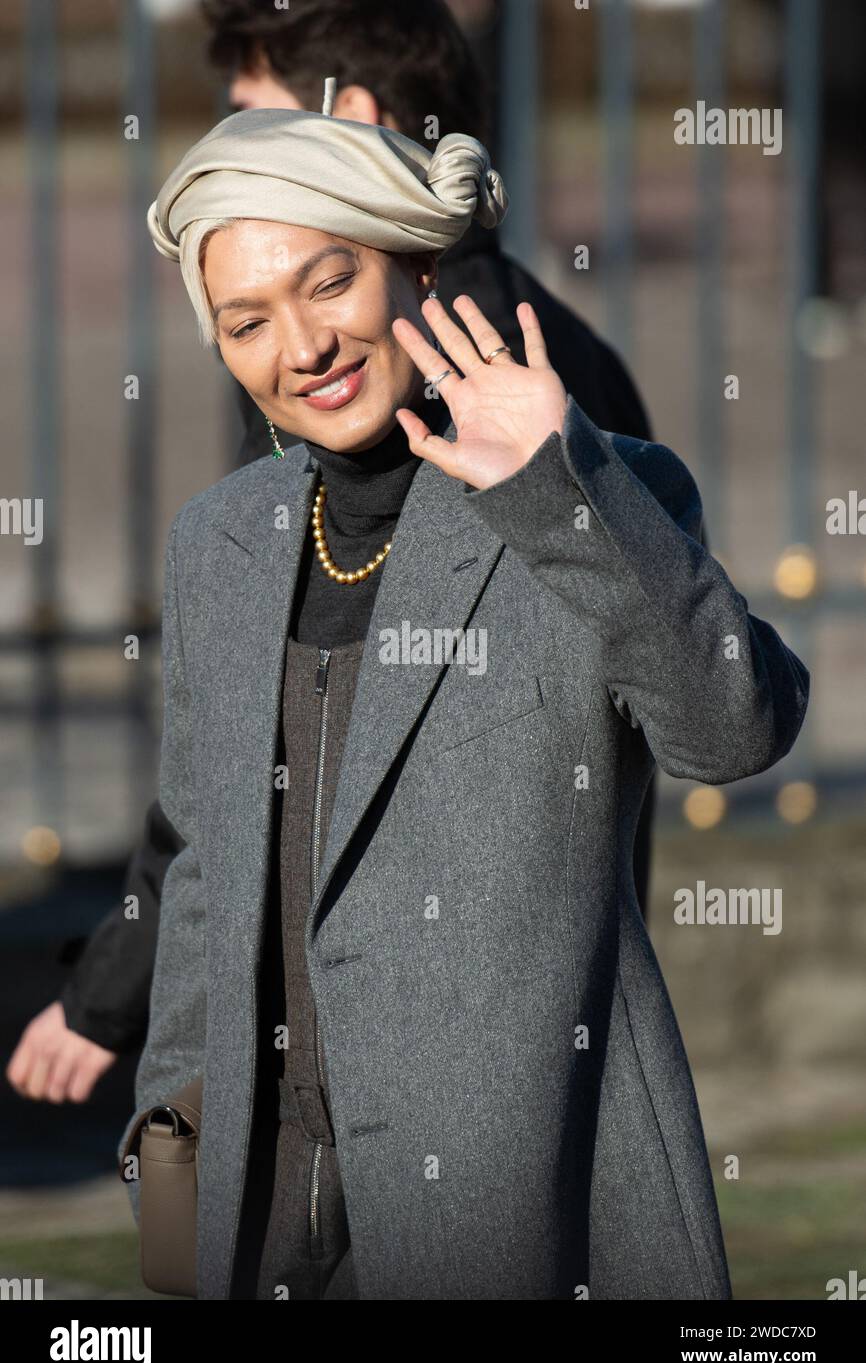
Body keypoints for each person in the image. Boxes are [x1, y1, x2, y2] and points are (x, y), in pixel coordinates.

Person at [119, 97, 808, 1300]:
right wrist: (168, 1133)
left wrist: (558, 489)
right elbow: (201, 863)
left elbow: (730, 728)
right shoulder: (217, 540)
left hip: (524, 1202)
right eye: (246, 322)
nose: (301, 347)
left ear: (414, 262)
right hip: (262, 1216)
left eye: (329, 284)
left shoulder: (594, 488)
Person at [7, 0, 657, 1106]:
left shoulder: (509, 397)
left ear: (347, 120)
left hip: (490, 1099)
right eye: (244, 322)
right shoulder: (289, 420)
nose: (295, 345)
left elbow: (701, 715)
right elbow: (227, 787)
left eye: (254, 117)